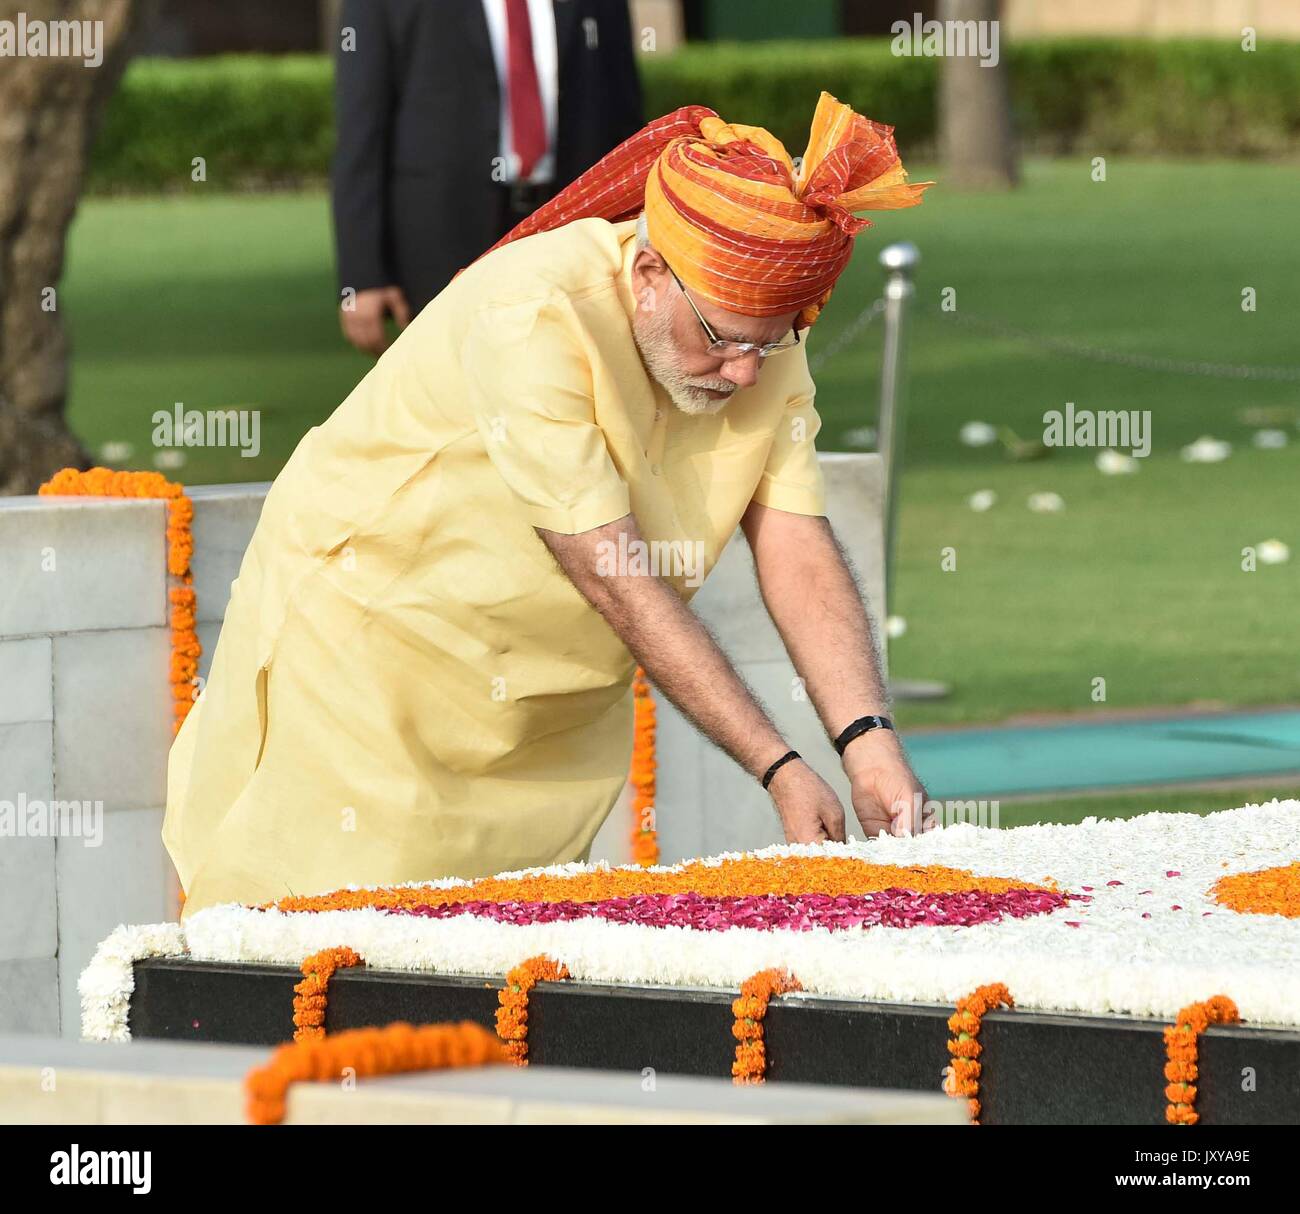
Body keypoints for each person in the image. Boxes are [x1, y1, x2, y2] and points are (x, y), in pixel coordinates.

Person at [165, 92, 935, 917]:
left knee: (504, 978)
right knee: (334, 949)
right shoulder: (531, 313)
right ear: (648, 276)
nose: (747, 371)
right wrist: (778, 765)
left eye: (772, 339)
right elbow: (613, 574)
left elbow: (795, 541)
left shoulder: (754, 328)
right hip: (375, 652)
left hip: (544, 702)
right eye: (722, 339)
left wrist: (868, 742)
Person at [332, 0, 642, 355]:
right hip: (440, 236)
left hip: (571, 225)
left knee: (564, 380)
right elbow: (362, 131)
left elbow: (624, 117)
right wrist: (363, 275)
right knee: (452, 389)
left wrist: (637, 236)